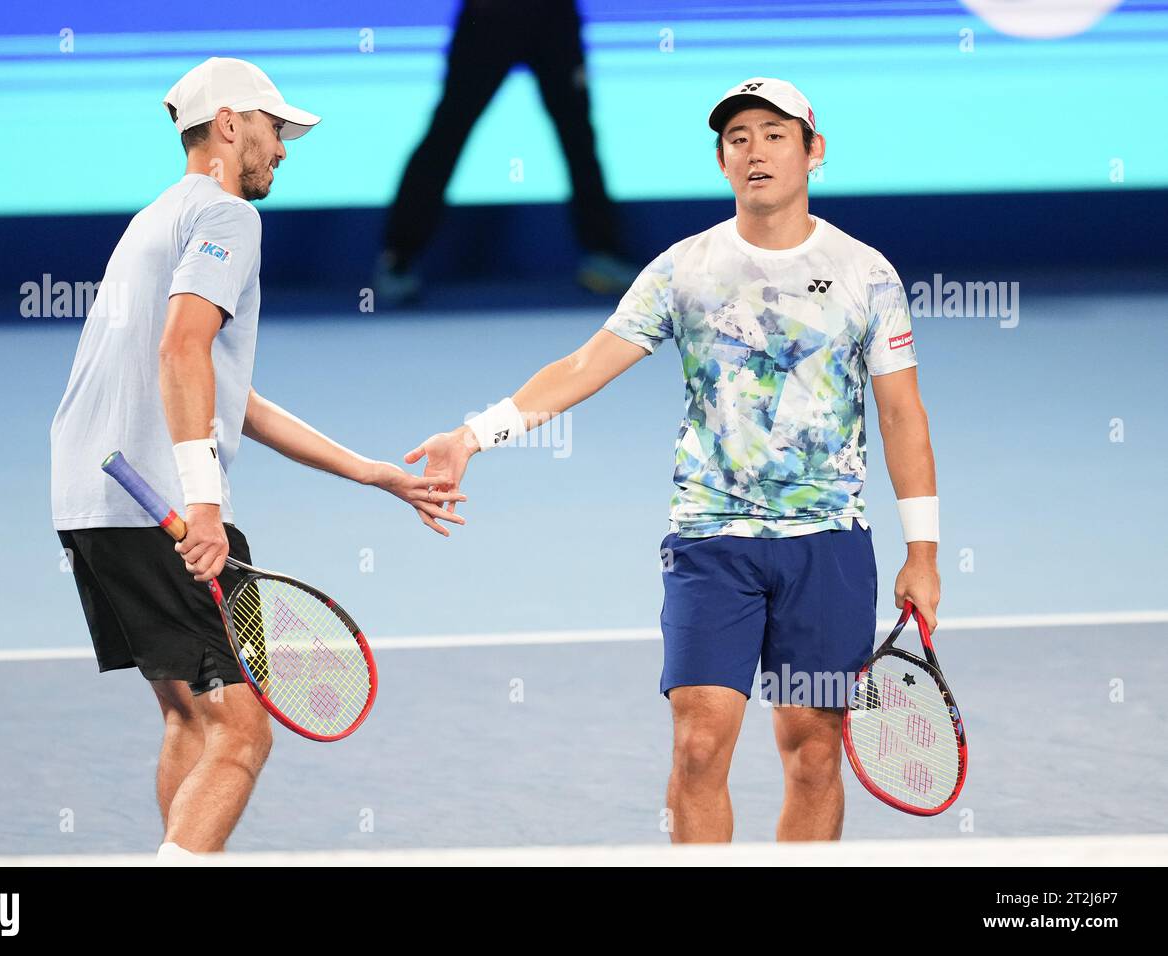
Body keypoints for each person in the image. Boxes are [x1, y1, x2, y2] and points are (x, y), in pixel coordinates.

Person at [405, 78, 941, 842]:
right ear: (722, 160)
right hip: (710, 541)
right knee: (697, 746)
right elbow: (584, 364)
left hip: (827, 544)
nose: (755, 150)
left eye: (774, 134)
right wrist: (473, 434)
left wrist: (922, 551)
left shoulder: (868, 274)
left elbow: (901, 414)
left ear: (813, 152)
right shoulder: (682, 270)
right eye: (738, 138)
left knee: (815, 753)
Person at [49, 57, 464, 861]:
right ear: (231, 125)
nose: (283, 149)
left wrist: (370, 471)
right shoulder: (231, 218)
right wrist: (203, 501)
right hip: (166, 506)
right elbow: (182, 351)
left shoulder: (154, 220)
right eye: (276, 129)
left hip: (91, 504)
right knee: (242, 735)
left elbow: (220, 386)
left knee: (189, 719)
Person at [373, 0, 636, 305]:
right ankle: (397, 258)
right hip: (488, 17)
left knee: (578, 136)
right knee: (447, 132)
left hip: (554, 17)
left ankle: (603, 255)